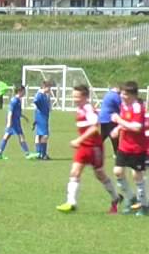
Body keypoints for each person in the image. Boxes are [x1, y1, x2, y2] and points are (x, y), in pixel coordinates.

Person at [56, 84, 121, 214]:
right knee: (74, 172)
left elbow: (94, 127)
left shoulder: (88, 108)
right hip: (83, 147)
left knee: (100, 174)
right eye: (73, 96)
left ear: (85, 97)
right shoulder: (80, 108)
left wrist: (79, 140)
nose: (74, 99)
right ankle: (71, 203)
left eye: (77, 96)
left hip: (94, 147)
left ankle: (116, 197)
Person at [110, 80, 147, 214]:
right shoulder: (124, 106)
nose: (122, 96)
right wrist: (117, 129)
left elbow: (136, 127)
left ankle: (144, 205)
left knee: (137, 175)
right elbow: (126, 121)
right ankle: (131, 198)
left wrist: (119, 121)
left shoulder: (137, 108)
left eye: (125, 94)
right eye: (121, 93)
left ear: (133, 95)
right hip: (124, 146)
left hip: (137, 148)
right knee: (118, 171)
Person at [0, 85, 30, 159]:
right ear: (20, 91)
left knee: (7, 136)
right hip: (14, 122)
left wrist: (24, 117)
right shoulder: (14, 100)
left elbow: (17, 112)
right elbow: (10, 112)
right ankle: (27, 153)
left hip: (16, 121)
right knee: (21, 136)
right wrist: (9, 122)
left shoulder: (18, 100)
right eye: (24, 91)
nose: (25, 93)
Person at [29, 80, 53, 160]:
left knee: (39, 135)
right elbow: (35, 102)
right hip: (41, 117)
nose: (50, 89)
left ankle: (38, 153)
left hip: (42, 117)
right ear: (45, 87)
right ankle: (43, 154)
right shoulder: (40, 94)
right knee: (45, 135)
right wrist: (38, 109)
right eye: (49, 88)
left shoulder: (44, 95)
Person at [99, 84, 122, 152]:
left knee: (103, 135)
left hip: (103, 118)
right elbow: (121, 106)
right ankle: (117, 152)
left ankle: (94, 149)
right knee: (114, 136)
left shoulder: (108, 94)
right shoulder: (115, 96)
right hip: (110, 118)